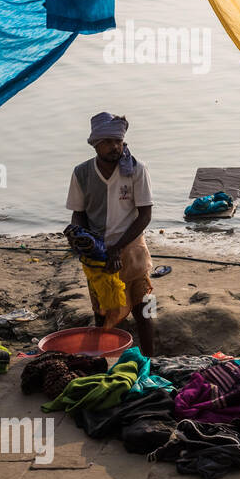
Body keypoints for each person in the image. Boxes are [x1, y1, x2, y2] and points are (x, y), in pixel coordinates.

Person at [64, 113, 155, 355]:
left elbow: (145, 215)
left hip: (133, 250)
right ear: (95, 144)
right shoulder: (81, 173)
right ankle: (107, 361)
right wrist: (80, 238)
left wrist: (118, 248)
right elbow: (79, 214)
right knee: (104, 314)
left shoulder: (136, 169)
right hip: (99, 255)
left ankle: (150, 361)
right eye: (108, 142)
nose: (115, 147)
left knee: (145, 310)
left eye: (119, 141)